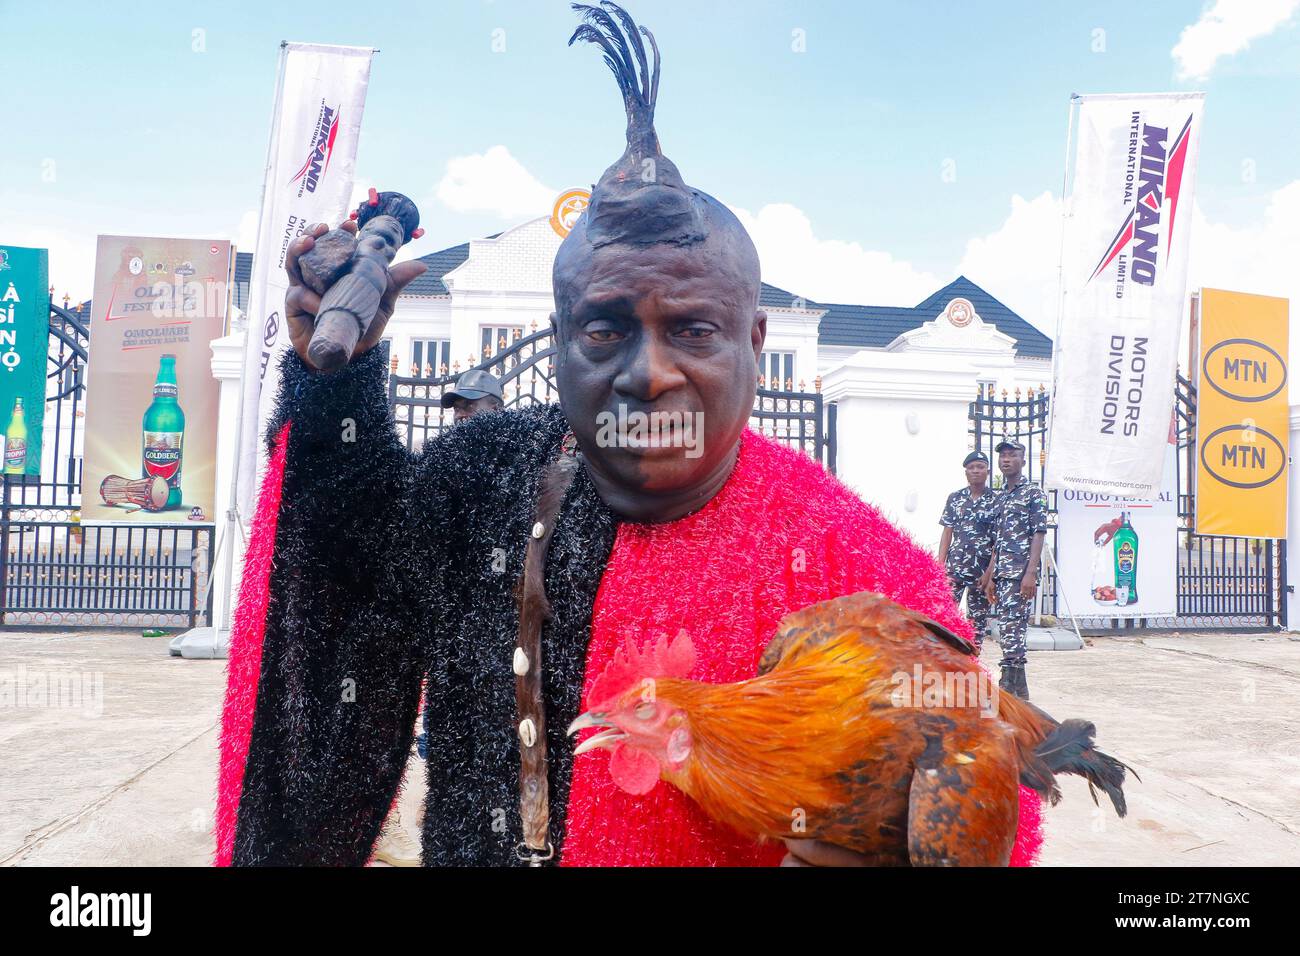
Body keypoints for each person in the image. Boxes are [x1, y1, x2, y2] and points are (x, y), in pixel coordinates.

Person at [216, 2, 1044, 867]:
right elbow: (340, 619)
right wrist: (334, 390)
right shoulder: (478, 475)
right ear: (563, 335)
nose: (648, 372)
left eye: (692, 330)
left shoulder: (855, 564)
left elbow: (989, 797)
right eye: (607, 329)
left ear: (754, 344)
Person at [374, 371, 507, 866]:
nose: (462, 418)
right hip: (448, 618)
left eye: (472, 408)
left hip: (503, 616)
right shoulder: (439, 467)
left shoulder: (520, 464)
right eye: (457, 410)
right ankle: (435, 805)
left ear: (498, 408)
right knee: (439, 721)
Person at [981, 438, 1048, 700]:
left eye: (1012, 455)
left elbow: (1039, 534)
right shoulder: (1002, 497)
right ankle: (1015, 684)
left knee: (1013, 624)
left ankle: (1012, 681)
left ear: (1023, 460)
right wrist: (990, 575)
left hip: (1021, 571)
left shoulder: (1033, 493)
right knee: (1007, 625)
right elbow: (998, 540)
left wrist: (1030, 573)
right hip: (1002, 572)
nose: (1006, 460)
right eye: (1002, 456)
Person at [937, 451, 997, 652]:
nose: (976, 471)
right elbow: (947, 532)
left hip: (981, 572)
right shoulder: (955, 498)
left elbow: (998, 541)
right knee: (945, 615)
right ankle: (947, 658)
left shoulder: (997, 501)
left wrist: (990, 573)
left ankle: (972, 662)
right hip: (955, 568)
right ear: (966, 472)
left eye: (980, 467)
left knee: (977, 621)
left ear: (987, 471)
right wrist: (939, 566)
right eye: (971, 467)